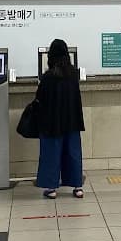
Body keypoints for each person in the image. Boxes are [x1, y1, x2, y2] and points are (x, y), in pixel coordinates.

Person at [35, 39, 85, 199]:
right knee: (73, 153)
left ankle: (51, 188)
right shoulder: (73, 75)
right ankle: (77, 187)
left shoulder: (48, 77)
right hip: (72, 120)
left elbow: (40, 99)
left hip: (52, 122)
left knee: (51, 154)